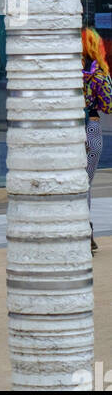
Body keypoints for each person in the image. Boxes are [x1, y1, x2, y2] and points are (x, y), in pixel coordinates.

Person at [83, 25, 112, 254]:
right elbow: (109, 105)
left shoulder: (64, 73)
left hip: (68, 131)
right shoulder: (98, 75)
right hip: (91, 129)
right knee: (85, 184)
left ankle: (82, 229)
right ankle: (86, 231)